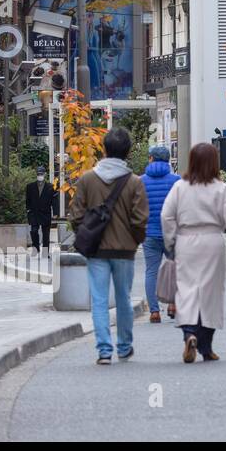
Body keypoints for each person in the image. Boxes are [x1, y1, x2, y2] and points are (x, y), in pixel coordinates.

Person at [161, 143, 226, 363]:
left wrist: (171, 240)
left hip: (186, 243)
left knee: (187, 292)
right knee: (211, 295)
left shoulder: (180, 187)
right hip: (213, 243)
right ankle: (206, 347)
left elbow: (166, 216)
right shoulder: (220, 188)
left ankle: (189, 334)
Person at [67, 128, 149, 365]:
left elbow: (76, 214)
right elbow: (140, 218)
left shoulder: (87, 179)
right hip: (125, 250)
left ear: (104, 149)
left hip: (97, 250)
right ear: (128, 151)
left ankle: (104, 349)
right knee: (123, 298)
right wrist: (134, 240)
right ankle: (124, 346)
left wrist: (86, 234)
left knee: (100, 299)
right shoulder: (134, 182)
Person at [140, 144, 180, 323]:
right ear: (168, 160)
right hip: (172, 234)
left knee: (151, 272)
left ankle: (154, 311)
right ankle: (173, 304)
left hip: (149, 233)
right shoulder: (177, 181)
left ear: (150, 159)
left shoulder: (140, 181)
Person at [24, 168, 55, 255]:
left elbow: (54, 200)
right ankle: (36, 247)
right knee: (33, 231)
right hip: (34, 213)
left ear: (44, 174)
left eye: (41, 174)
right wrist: (28, 210)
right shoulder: (30, 186)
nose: (39, 176)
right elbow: (27, 199)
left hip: (45, 213)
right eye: (38, 174)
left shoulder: (51, 187)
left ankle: (45, 253)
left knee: (46, 234)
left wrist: (55, 212)